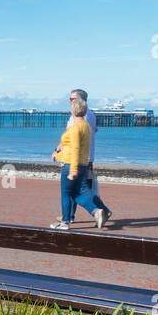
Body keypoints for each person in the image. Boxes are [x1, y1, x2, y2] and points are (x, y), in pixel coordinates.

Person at [49, 97, 98, 230]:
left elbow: (75, 148)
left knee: (66, 194)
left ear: (73, 110)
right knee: (76, 193)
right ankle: (94, 212)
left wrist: (73, 169)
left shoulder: (75, 127)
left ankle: (65, 222)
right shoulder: (86, 126)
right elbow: (81, 147)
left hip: (71, 164)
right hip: (83, 163)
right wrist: (58, 154)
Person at [69, 88, 112, 226]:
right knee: (80, 188)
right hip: (87, 157)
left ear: (80, 101)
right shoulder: (91, 114)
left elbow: (75, 138)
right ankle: (70, 215)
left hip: (79, 158)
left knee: (79, 189)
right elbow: (94, 131)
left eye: (72, 99)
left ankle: (101, 211)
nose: (69, 101)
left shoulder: (82, 116)